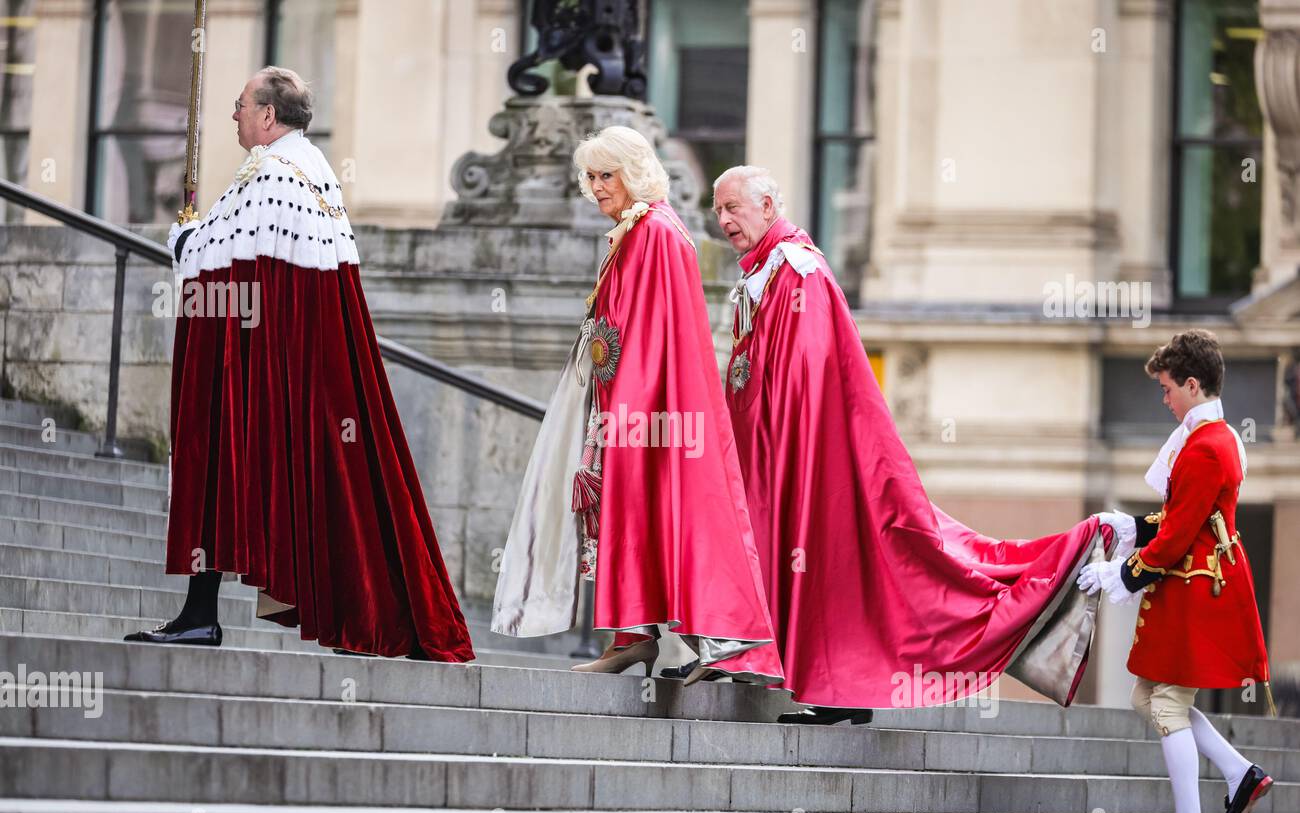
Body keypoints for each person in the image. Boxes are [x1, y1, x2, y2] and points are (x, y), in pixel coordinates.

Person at [676, 165, 1111, 723]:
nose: (724, 219)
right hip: (773, 456)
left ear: (767, 207)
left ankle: (835, 687)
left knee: (840, 562)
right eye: (717, 210)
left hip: (806, 457)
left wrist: (788, 454)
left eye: (733, 207)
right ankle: (773, 662)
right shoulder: (766, 274)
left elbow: (808, 378)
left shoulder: (800, 273)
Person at [126, 67, 473, 662]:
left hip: (259, 359)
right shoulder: (312, 170)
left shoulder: (271, 172)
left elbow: (225, 263)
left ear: (267, 116)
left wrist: (184, 239)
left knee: (218, 451)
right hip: (292, 360)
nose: (233, 115)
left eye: (240, 106)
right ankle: (212, 613)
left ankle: (202, 616)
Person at [491, 128, 782, 684]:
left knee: (665, 510)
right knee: (639, 514)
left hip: (648, 407)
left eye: (608, 176)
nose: (597, 188)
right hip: (633, 399)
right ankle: (634, 634)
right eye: (592, 177)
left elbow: (655, 334)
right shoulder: (639, 230)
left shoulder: (657, 232)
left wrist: (626, 408)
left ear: (635, 173)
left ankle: (697, 635)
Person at [1079, 329, 1274, 813]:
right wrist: (1131, 526)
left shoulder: (1207, 446)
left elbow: (1181, 534)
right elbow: (1180, 517)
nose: (1163, 399)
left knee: (1164, 700)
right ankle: (1240, 773)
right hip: (1194, 586)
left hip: (1195, 591)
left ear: (1192, 384)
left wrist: (1123, 573)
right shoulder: (1213, 439)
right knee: (1151, 697)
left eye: (1167, 389)